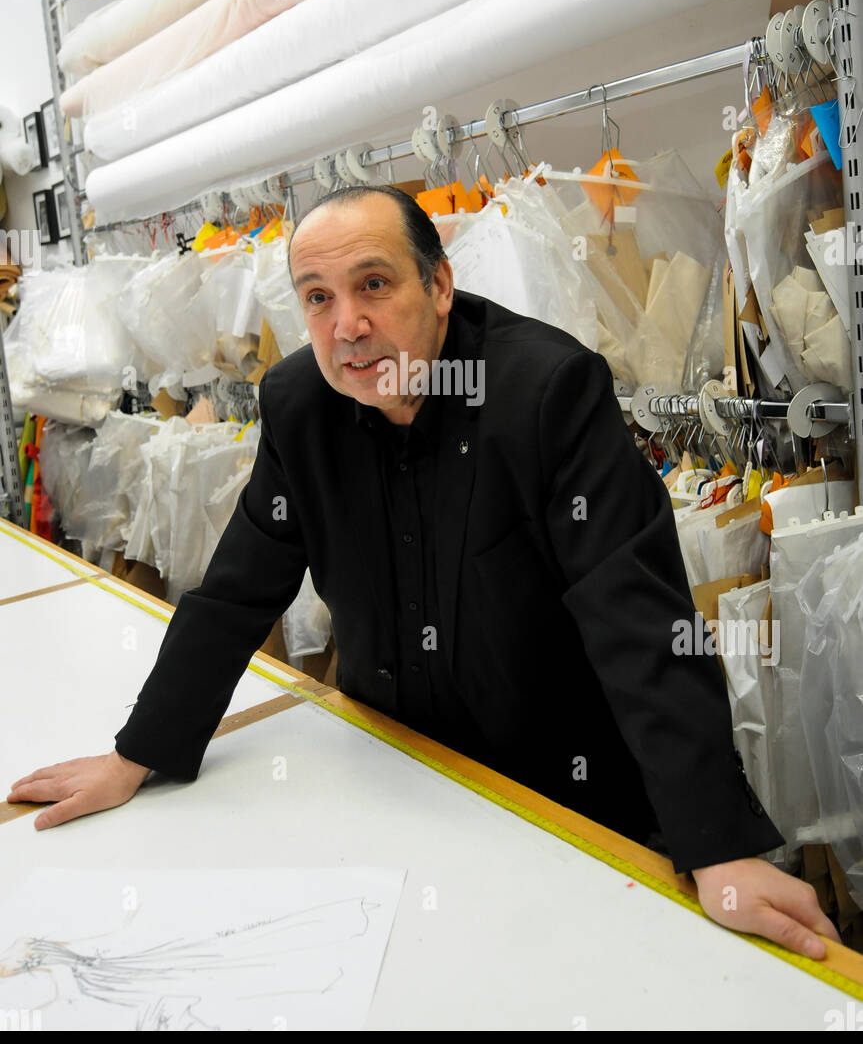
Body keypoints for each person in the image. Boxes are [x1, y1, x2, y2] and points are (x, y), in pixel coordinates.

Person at [9, 185, 839, 962]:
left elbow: (639, 620)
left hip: (565, 797)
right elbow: (235, 590)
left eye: (373, 285)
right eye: (318, 298)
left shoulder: (546, 392)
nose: (346, 325)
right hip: (397, 775)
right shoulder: (299, 404)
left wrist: (716, 846)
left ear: (439, 285)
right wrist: (139, 752)